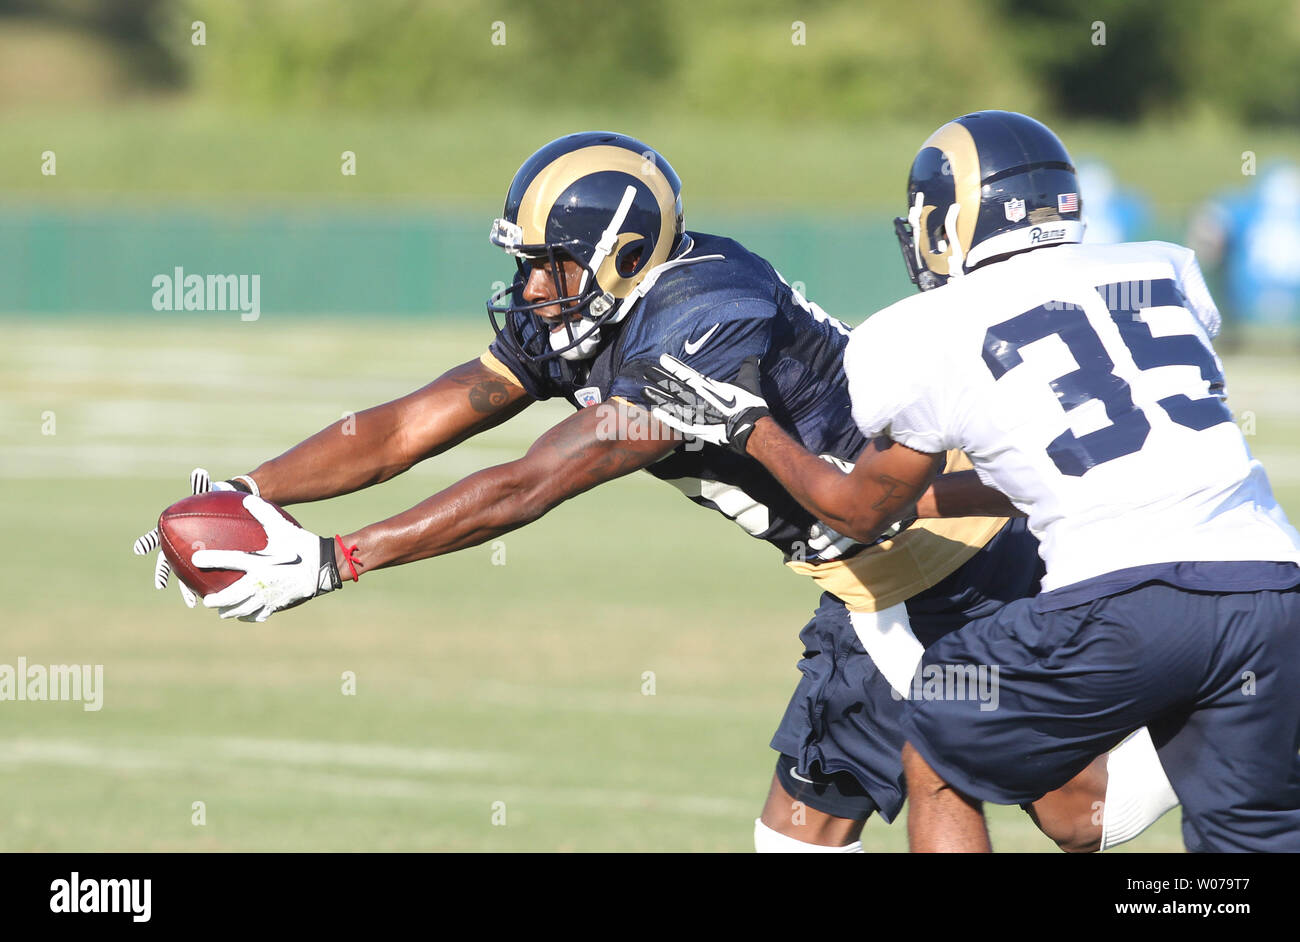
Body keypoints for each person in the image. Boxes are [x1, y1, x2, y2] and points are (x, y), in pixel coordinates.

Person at [134, 130, 1128, 852]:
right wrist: (253, 488)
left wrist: (340, 558)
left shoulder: (703, 317)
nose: (531, 291)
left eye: (549, 266)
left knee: (1074, 814)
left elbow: (533, 481)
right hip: (858, 584)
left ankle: (1216, 733)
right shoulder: (599, 310)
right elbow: (404, 426)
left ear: (618, 254)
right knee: (800, 833)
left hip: (957, 559)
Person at [641, 111, 1300, 852]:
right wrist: (919, 503)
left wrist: (749, 430)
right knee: (1254, 840)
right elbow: (1086, 465)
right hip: (1272, 588)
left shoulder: (924, 327)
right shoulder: (1163, 268)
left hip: (1123, 601)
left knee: (940, 749)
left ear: (948, 223)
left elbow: (858, 510)